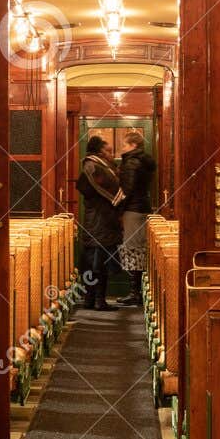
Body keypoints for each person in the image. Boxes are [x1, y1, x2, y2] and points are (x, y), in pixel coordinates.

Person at [75, 135, 124, 310]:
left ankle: (91, 299)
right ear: (100, 152)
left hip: (98, 220)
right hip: (100, 221)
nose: (112, 154)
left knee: (94, 262)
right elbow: (112, 189)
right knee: (98, 263)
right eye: (109, 151)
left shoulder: (95, 166)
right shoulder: (95, 167)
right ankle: (98, 301)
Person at [115, 131, 155, 306]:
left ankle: (134, 293)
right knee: (138, 248)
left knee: (132, 249)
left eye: (124, 145)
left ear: (133, 145)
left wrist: (119, 210)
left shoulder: (131, 162)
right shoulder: (145, 162)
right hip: (142, 207)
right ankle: (136, 291)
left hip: (133, 209)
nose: (122, 148)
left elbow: (128, 189)